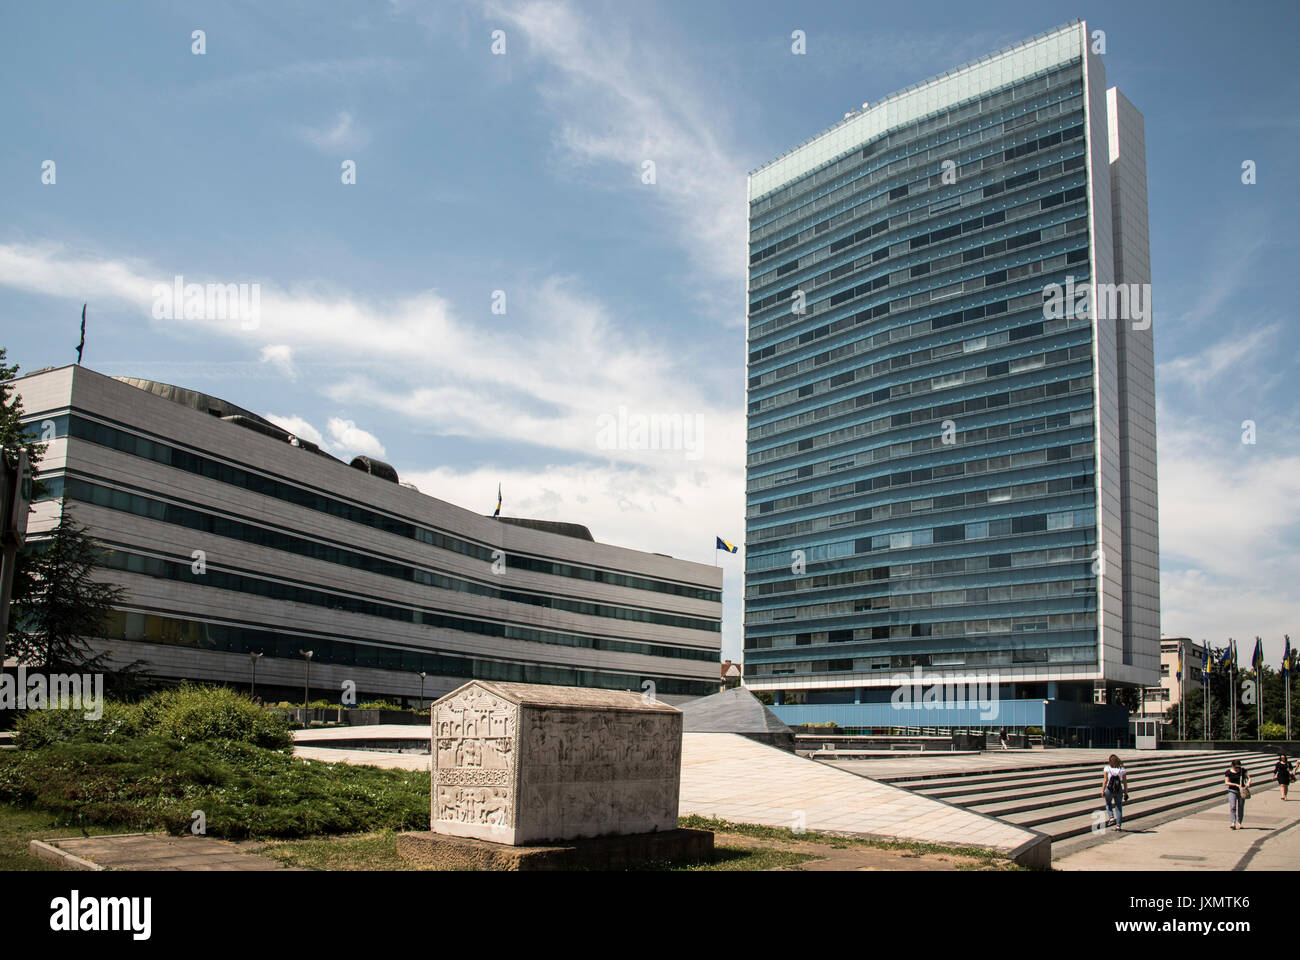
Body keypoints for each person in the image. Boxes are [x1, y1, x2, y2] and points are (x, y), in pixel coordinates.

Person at [1101, 754, 1128, 831]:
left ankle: (1111, 817)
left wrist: (1103, 790)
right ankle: (1118, 826)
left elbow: (1105, 780)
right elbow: (1125, 782)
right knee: (1118, 806)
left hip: (1109, 789)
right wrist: (1125, 792)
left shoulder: (1107, 768)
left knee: (1108, 803)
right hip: (1118, 789)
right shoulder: (1122, 769)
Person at [1225, 759, 1251, 829]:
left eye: (1238, 767)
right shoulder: (1228, 772)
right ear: (1232, 766)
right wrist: (1235, 785)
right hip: (1232, 790)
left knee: (1240, 807)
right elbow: (1226, 782)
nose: (1237, 769)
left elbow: (1249, 778)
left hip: (1241, 791)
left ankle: (1239, 823)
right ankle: (1233, 823)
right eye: (1236, 767)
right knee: (1233, 806)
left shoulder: (1243, 771)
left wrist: (1248, 783)